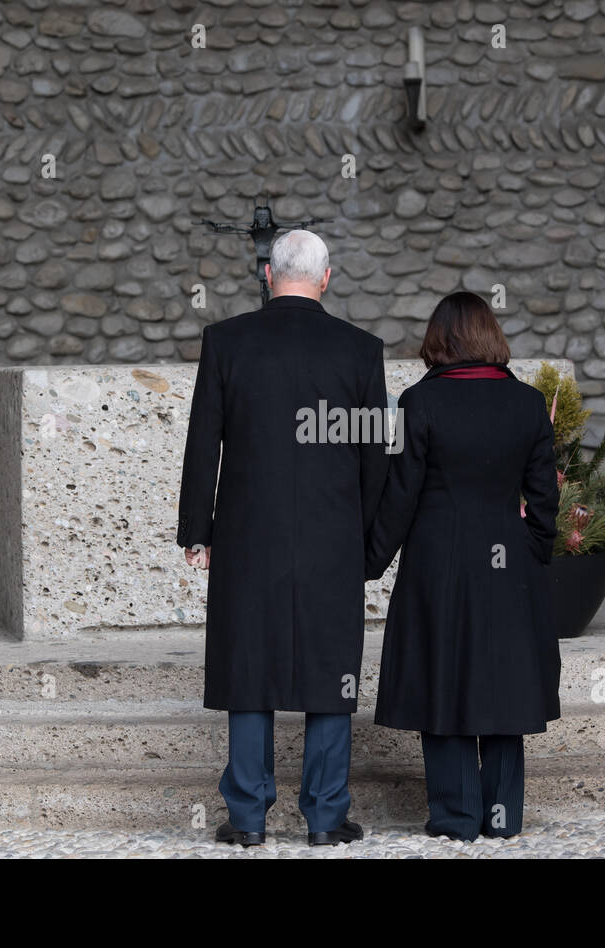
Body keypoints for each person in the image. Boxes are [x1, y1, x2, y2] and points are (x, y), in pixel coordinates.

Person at [176, 230, 389, 847]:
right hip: (334, 538)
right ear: (328, 278)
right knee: (331, 670)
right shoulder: (361, 350)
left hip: (248, 536)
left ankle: (247, 818)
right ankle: (324, 816)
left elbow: (202, 444)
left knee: (250, 666)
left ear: (268, 274)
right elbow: (377, 458)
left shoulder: (226, 342)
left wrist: (198, 530)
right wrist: (370, 545)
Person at [365, 291, 561, 841]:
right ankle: (503, 815)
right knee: (502, 679)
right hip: (508, 561)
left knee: (443, 677)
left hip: (438, 562)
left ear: (439, 339)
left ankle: (456, 816)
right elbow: (544, 497)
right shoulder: (527, 403)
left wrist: (369, 560)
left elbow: (399, 496)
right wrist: (533, 552)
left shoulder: (418, 404)